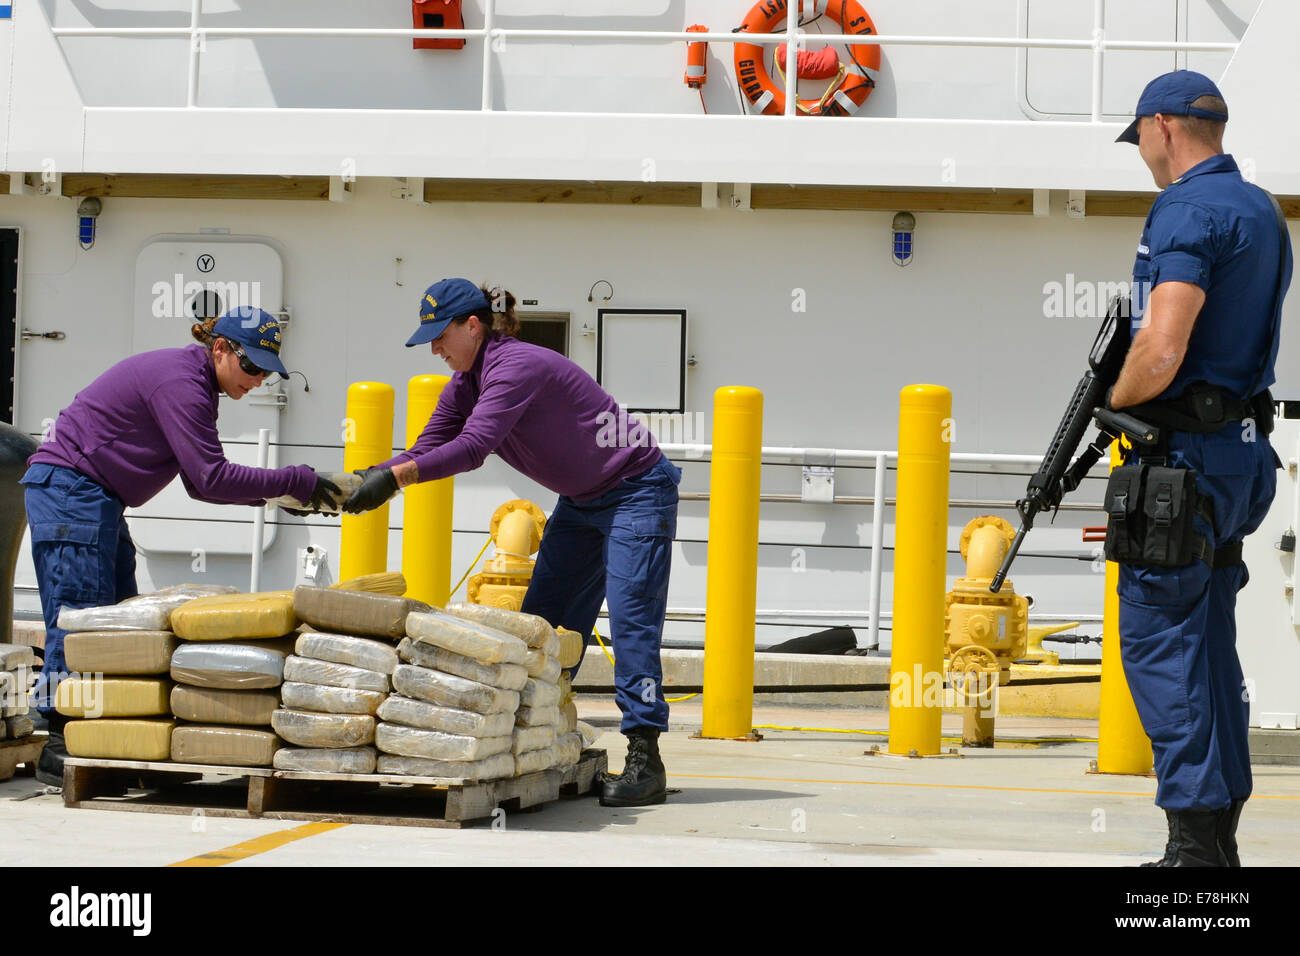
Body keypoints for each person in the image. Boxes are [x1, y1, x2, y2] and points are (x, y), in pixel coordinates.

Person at [344, 278, 680, 807]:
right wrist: (364, 479)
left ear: (472, 326)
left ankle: (645, 756)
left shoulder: (516, 366)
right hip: (582, 498)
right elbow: (427, 447)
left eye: (440, 335)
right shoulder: (467, 382)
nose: (434, 348)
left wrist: (395, 478)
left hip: (637, 490)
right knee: (543, 623)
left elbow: (474, 447)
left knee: (632, 619)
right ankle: (544, 735)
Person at [22, 307, 340, 786]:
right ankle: (63, 745)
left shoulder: (194, 384)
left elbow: (200, 482)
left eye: (264, 371)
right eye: (250, 366)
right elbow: (210, 477)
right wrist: (297, 481)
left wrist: (286, 493)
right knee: (83, 623)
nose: (255, 381)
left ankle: (112, 740)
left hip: (93, 496)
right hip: (72, 492)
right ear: (220, 348)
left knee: (118, 629)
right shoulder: (181, 383)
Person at [1109, 71, 1292, 865]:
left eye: (1141, 139)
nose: (1142, 154)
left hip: (1182, 460)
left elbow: (1162, 345)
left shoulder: (1185, 207)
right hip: (1240, 458)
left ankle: (1191, 843)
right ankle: (1216, 836)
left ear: (1162, 126)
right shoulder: (1261, 208)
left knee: (1161, 640)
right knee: (1210, 640)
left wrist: (1113, 401)